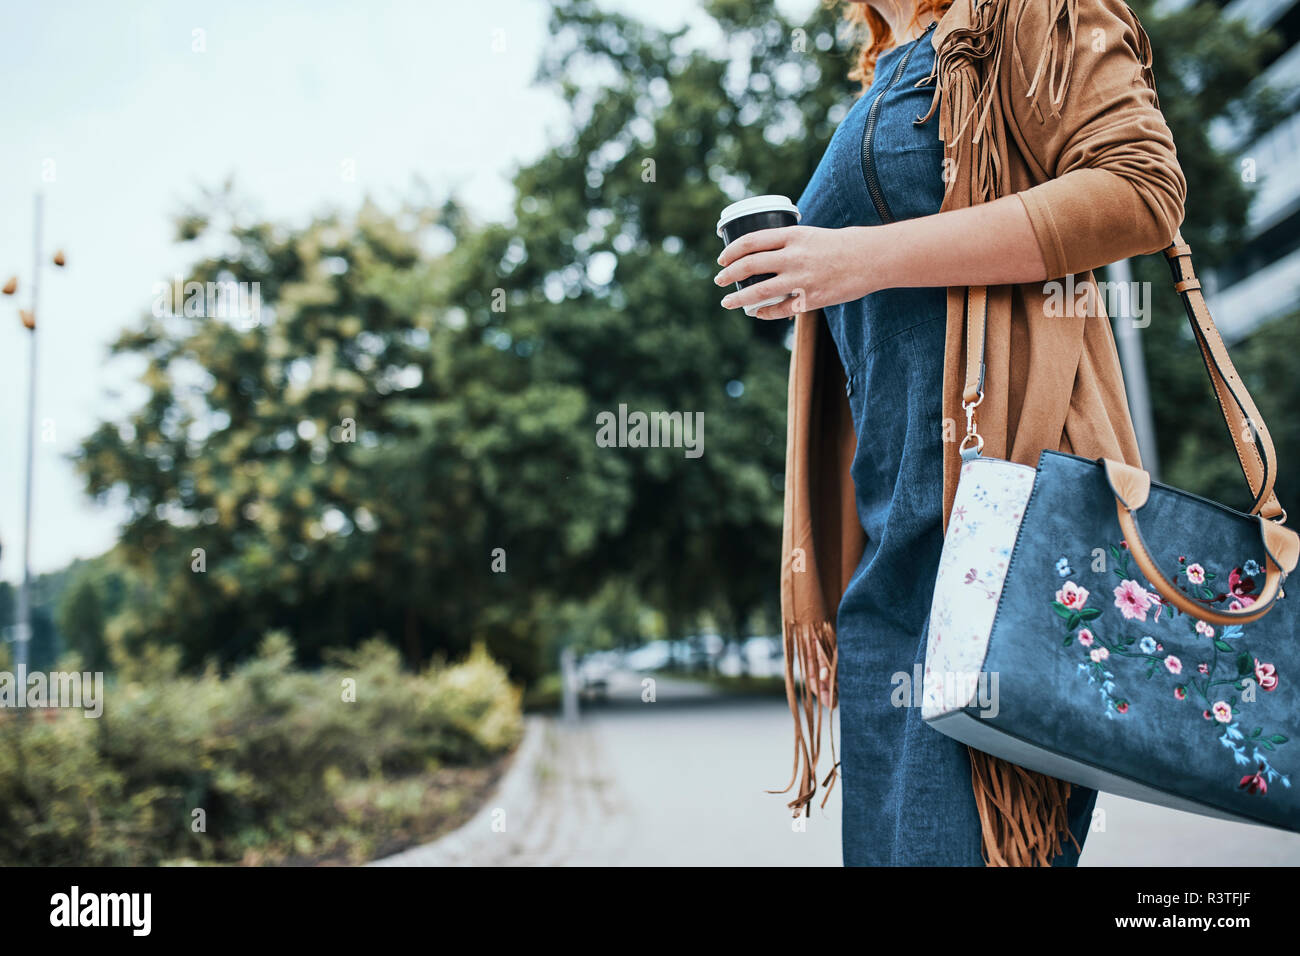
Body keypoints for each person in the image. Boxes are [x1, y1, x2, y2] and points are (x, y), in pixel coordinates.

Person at [713, 0, 1186, 865]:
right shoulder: (885, 67)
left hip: (1005, 525)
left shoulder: (1026, 13)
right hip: (892, 558)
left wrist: (860, 258)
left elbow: (1141, 189)